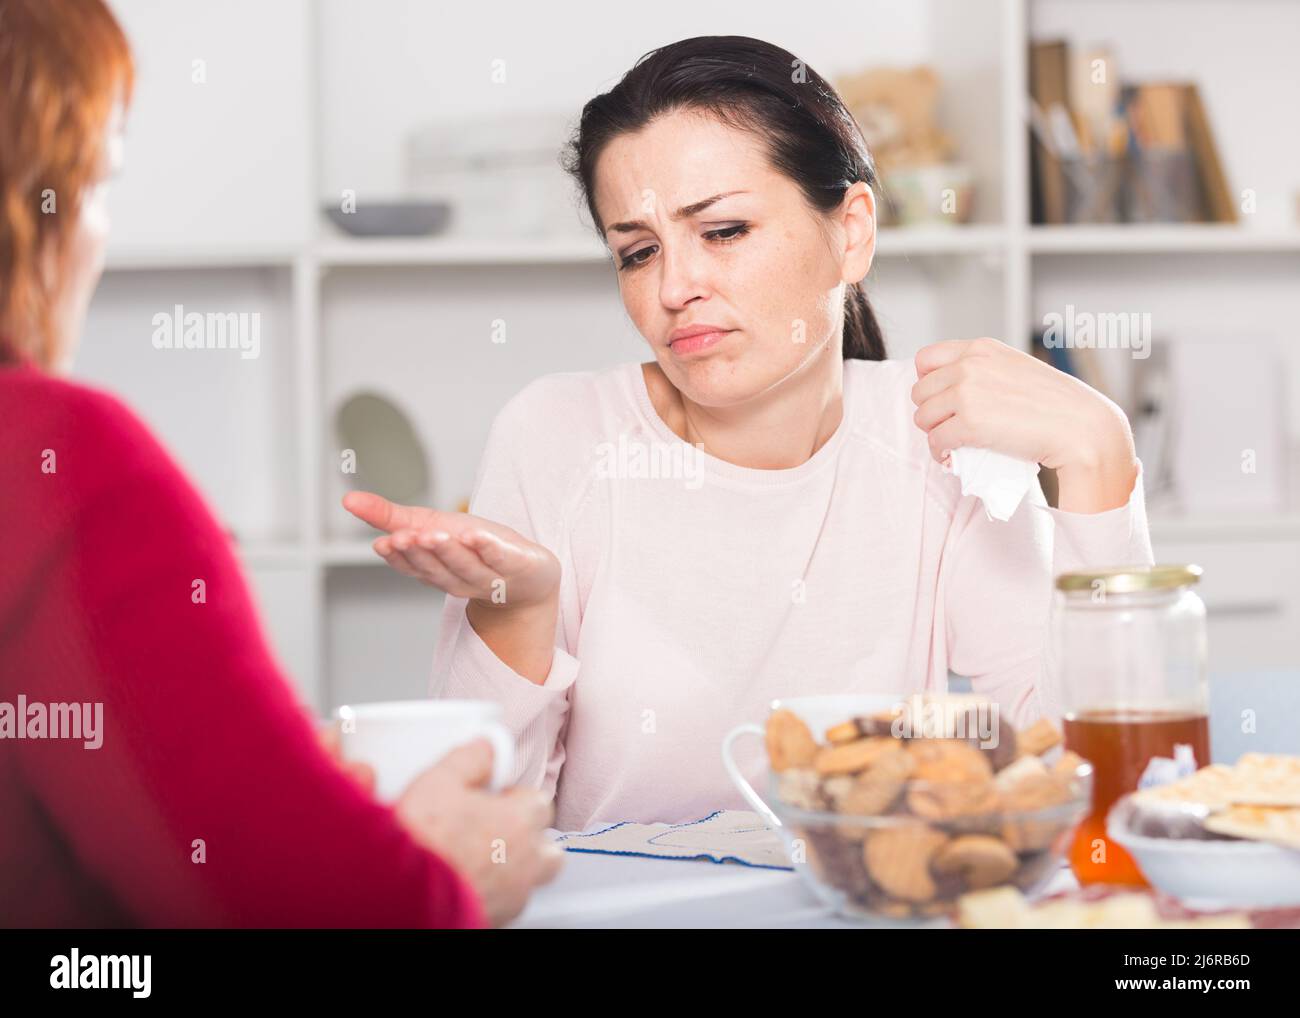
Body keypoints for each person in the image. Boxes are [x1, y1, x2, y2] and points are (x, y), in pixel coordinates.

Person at [344, 35, 1154, 832]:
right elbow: (473, 839)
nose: (674, 287)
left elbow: (1090, 781)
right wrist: (516, 611)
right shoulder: (557, 433)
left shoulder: (935, 440)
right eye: (637, 251)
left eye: (724, 231)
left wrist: (1100, 459)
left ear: (853, 231)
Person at [0, 0, 560, 928]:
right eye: (95, 182)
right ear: (33, 204)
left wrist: (277, 789)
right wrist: (435, 873)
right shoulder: (63, 460)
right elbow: (291, 894)